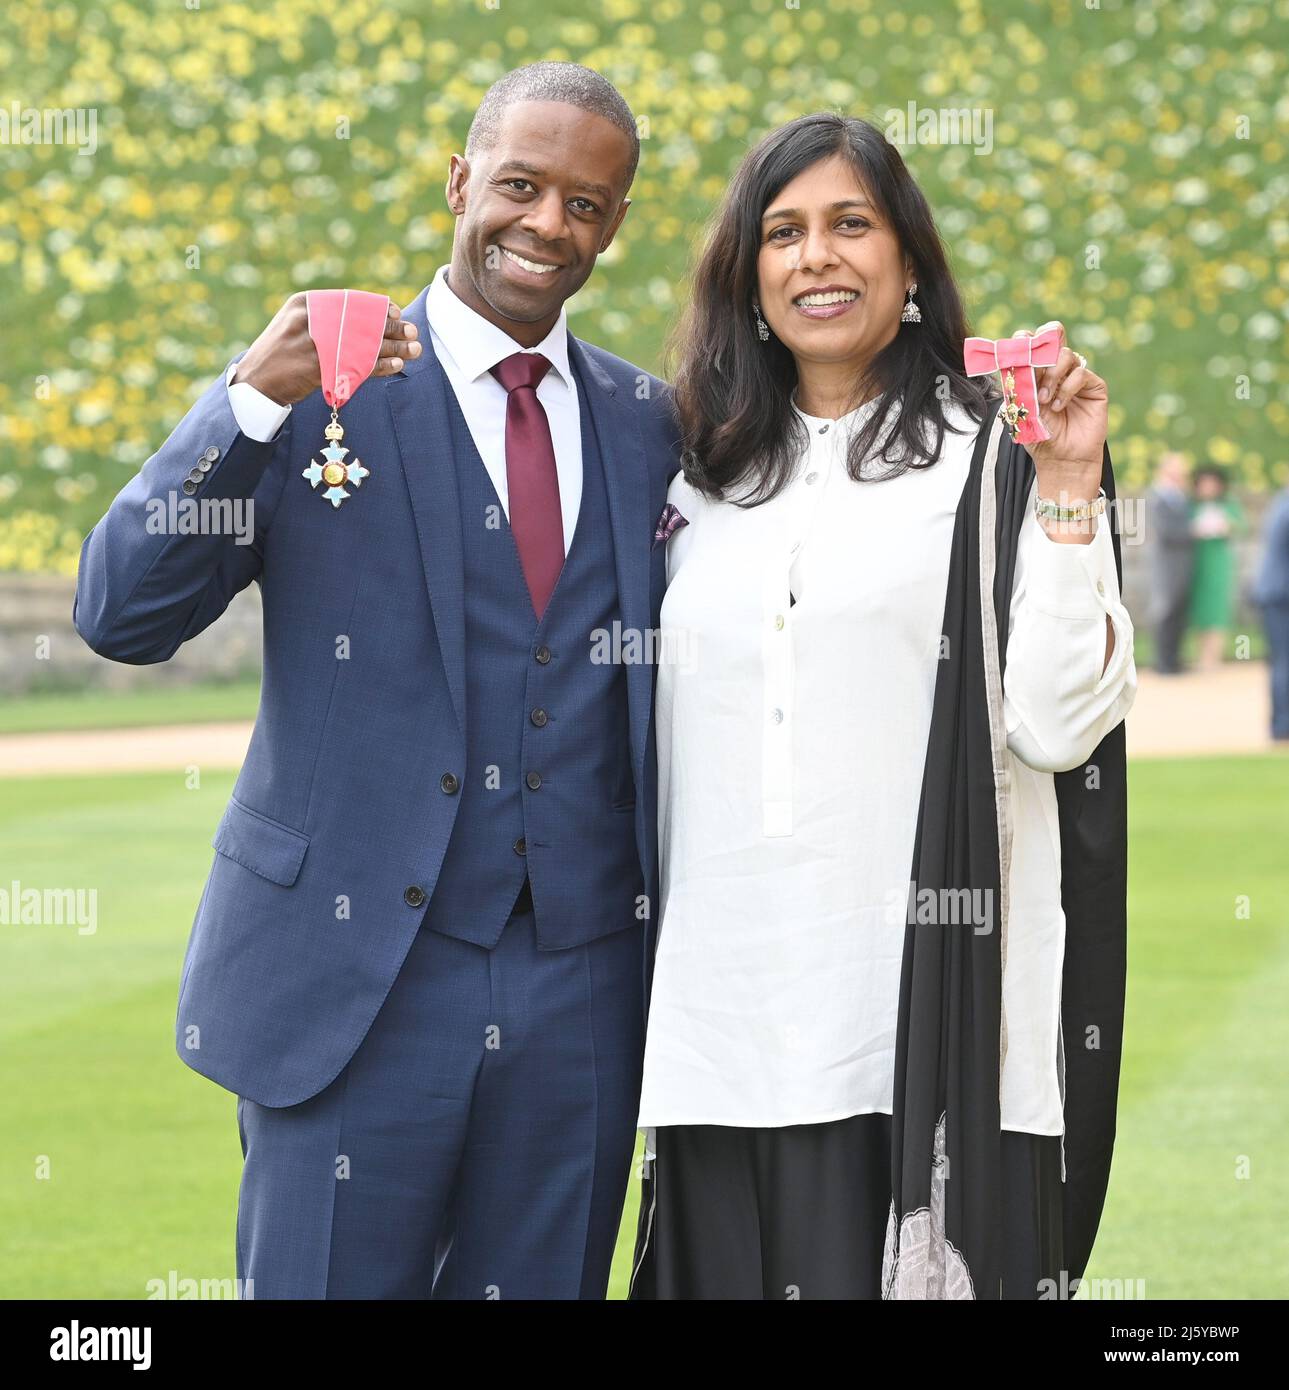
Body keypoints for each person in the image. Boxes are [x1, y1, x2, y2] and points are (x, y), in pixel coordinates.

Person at [74, 62, 681, 1299]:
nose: (547, 225)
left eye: (585, 202)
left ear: (615, 223)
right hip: (354, 980)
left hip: (580, 991)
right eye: (520, 185)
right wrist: (242, 403)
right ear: (459, 181)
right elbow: (120, 614)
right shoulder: (314, 388)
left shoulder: (646, 420)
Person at [629, 113, 1137, 1301]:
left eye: (850, 224)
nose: (817, 256)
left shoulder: (994, 450)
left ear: (908, 263)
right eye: (784, 232)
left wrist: (1066, 487)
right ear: (746, 277)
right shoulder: (697, 478)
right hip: (720, 1035)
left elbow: (1060, 726)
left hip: (922, 1035)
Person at [1187, 463, 1245, 671]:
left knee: (1217, 610)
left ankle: (1214, 658)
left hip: (1218, 563)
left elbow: (1241, 525)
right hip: (1197, 562)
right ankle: (1202, 656)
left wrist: (1225, 525)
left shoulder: (1228, 504)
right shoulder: (1191, 506)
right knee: (1199, 610)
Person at [1146, 451, 1195, 673]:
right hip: (1165, 564)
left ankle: (1174, 659)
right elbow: (1165, 532)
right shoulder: (1157, 496)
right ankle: (1163, 662)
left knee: (1179, 612)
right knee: (1165, 612)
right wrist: (1193, 531)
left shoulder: (1179, 496)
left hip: (1181, 564)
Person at [1250, 482, 1289, 740]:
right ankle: (1282, 727)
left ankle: (1281, 724)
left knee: (1281, 661)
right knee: (1284, 662)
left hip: (1275, 591)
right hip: (1280, 594)